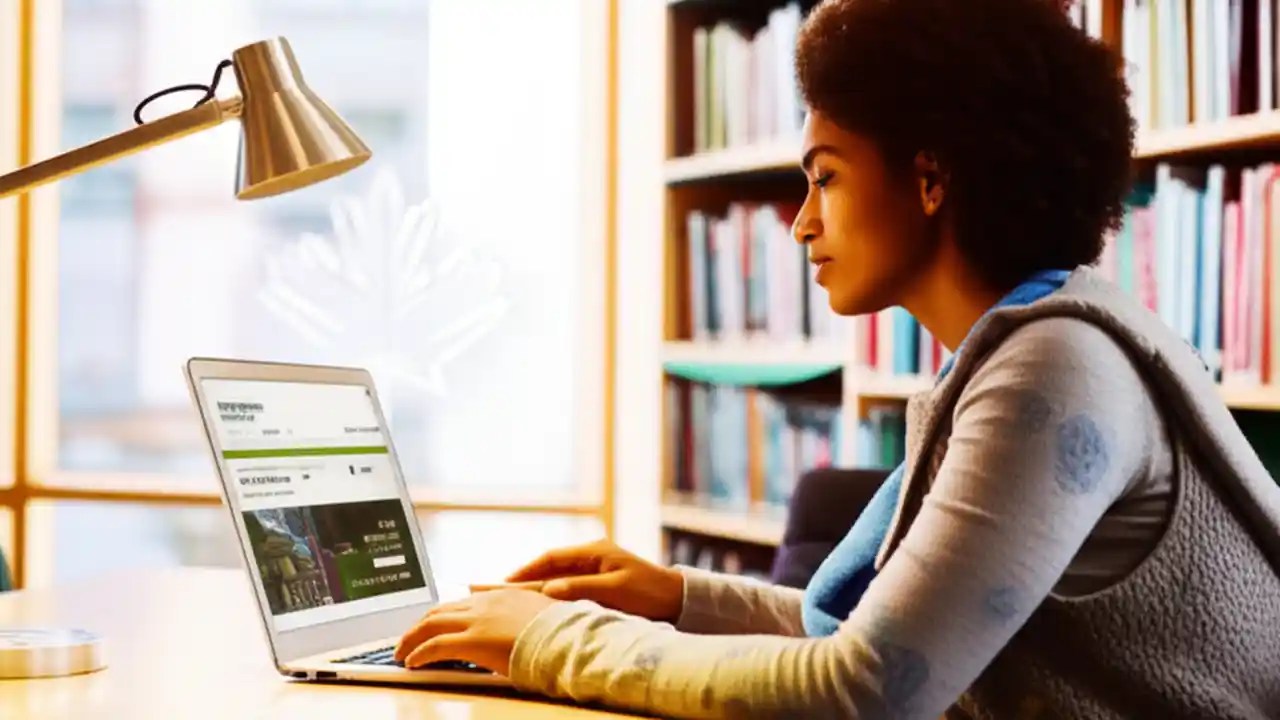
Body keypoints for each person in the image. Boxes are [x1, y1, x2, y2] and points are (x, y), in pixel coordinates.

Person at [395, 0, 1280, 717]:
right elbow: (890, 637)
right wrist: (675, 597)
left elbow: (866, 689)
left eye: (825, 176)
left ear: (930, 179)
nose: (802, 222)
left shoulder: (1053, 368)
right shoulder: (1039, 341)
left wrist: (547, 642)